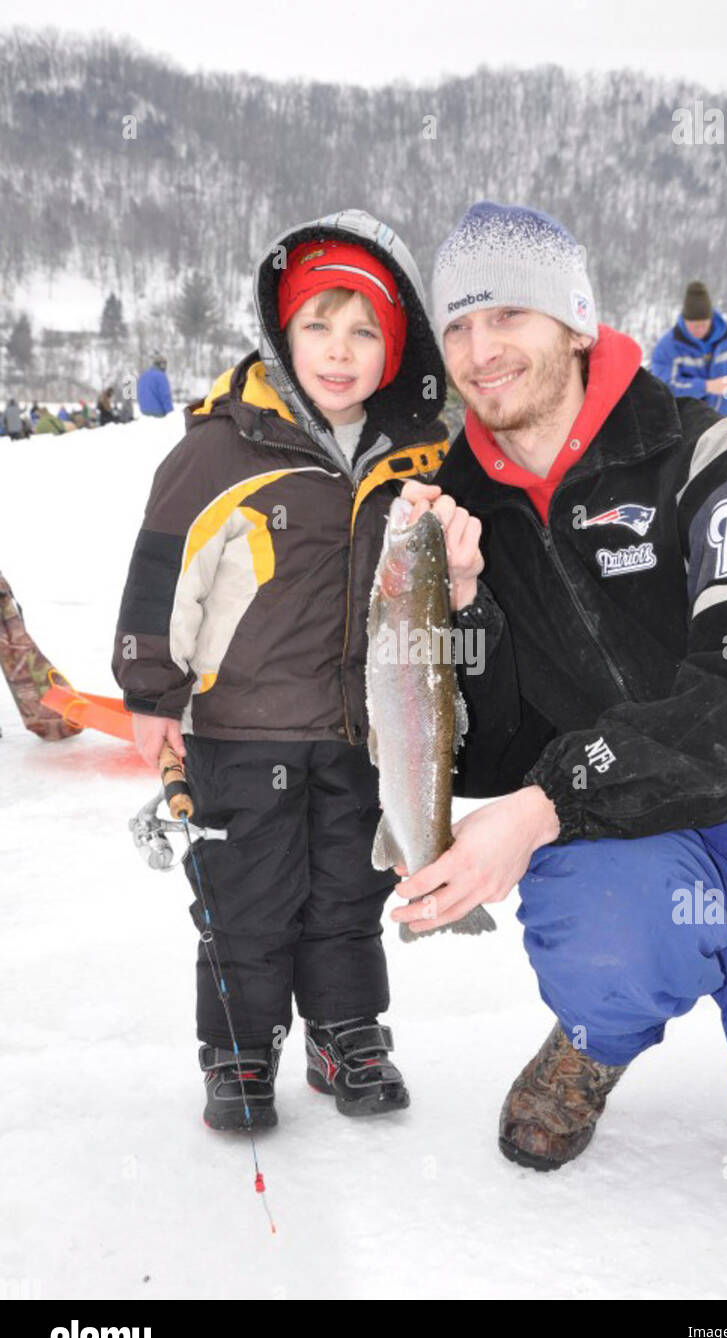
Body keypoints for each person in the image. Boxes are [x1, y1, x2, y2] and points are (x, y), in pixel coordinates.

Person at [394, 200, 727, 1259]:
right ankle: (596, 1035)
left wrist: (553, 802)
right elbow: (487, 755)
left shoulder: (703, 451)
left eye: (506, 313)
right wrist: (460, 611)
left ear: (574, 322)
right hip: (624, 841)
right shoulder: (456, 499)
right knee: (618, 941)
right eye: (456, 325)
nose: (478, 350)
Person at [112, 210, 448, 1132]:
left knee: (347, 893)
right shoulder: (224, 447)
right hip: (241, 729)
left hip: (358, 731)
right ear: (282, 332)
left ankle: (346, 1030)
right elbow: (159, 575)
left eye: (364, 332)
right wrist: (150, 690)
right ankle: (238, 1045)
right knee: (247, 899)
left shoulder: (415, 461)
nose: (339, 353)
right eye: (318, 327)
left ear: (394, 347)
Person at [650, 280, 727, 416]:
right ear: (685, 320)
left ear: (711, 319)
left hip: (723, 417)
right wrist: (706, 386)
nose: (699, 329)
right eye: (694, 325)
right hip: (684, 421)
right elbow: (664, 387)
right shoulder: (668, 347)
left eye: (703, 324)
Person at [136, 353, 174, 417]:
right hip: (157, 413)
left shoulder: (143, 375)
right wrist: (170, 412)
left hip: (144, 412)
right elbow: (165, 395)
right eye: (164, 364)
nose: (165, 367)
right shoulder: (161, 376)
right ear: (160, 364)